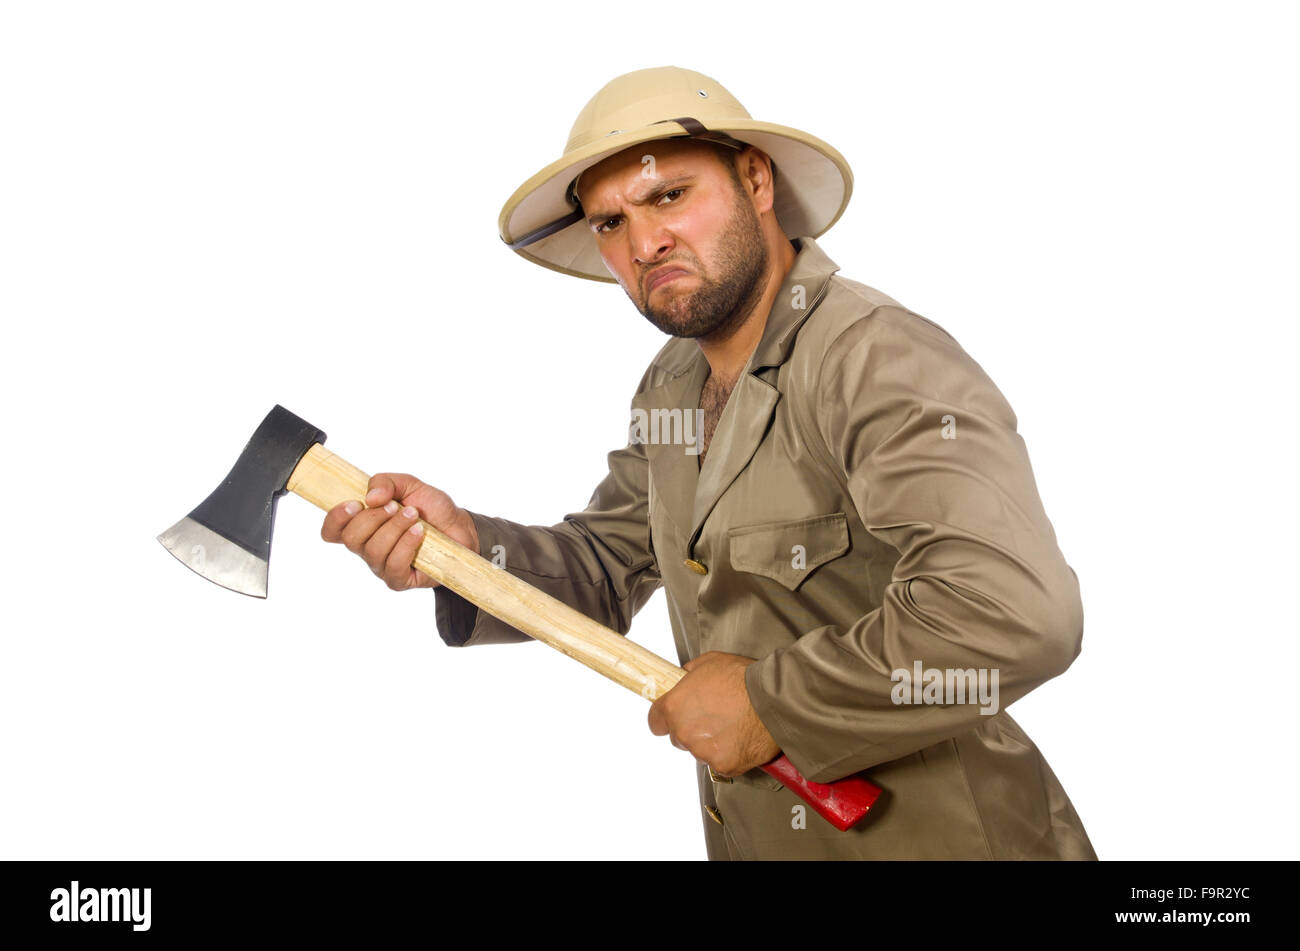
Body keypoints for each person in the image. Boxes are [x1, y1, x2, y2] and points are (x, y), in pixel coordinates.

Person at [320, 66, 1098, 860]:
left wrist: (771, 702)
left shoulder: (875, 356)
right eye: (610, 221)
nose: (644, 242)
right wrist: (462, 553)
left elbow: (1017, 613)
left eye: (669, 196)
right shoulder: (675, 381)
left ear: (755, 180)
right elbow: (606, 562)